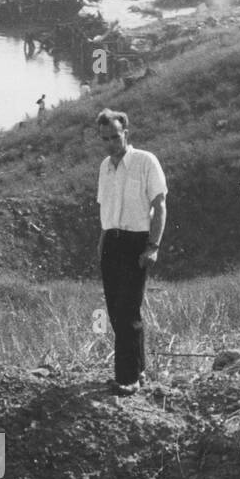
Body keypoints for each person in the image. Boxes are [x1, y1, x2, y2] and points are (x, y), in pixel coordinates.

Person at [95, 108, 167, 393]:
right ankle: (138, 370)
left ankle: (127, 380)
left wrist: (153, 246)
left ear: (126, 133)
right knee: (116, 311)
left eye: (115, 136)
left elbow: (159, 205)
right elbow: (106, 208)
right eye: (105, 139)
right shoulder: (104, 167)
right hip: (111, 242)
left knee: (128, 311)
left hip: (136, 241)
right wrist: (102, 242)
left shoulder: (145, 161)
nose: (111, 143)